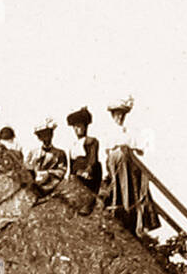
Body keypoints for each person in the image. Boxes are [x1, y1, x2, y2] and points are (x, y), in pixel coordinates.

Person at [100, 96, 159, 234]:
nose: (119, 117)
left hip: (128, 164)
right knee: (117, 190)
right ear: (113, 115)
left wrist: (132, 150)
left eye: (122, 114)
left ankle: (136, 218)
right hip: (116, 164)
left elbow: (138, 150)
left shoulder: (128, 132)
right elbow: (107, 151)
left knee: (135, 187)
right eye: (117, 114)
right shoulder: (109, 132)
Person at [66, 106, 101, 194]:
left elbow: (93, 159)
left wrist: (87, 171)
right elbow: (71, 163)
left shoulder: (91, 141)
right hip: (76, 173)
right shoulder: (72, 144)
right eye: (75, 127)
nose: (77, 129)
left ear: (85, 127)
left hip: (88, 173)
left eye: (79, 126)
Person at [26, 118, 68, 192]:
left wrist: (48, 173)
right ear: (39, 137)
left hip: (53, 186)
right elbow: (27, 169)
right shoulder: (33, 153)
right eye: (42, 135)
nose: (46, 137)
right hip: (35, 187)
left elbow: (62, 171)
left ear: (52, 135)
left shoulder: (60, 153)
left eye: (48, 134)